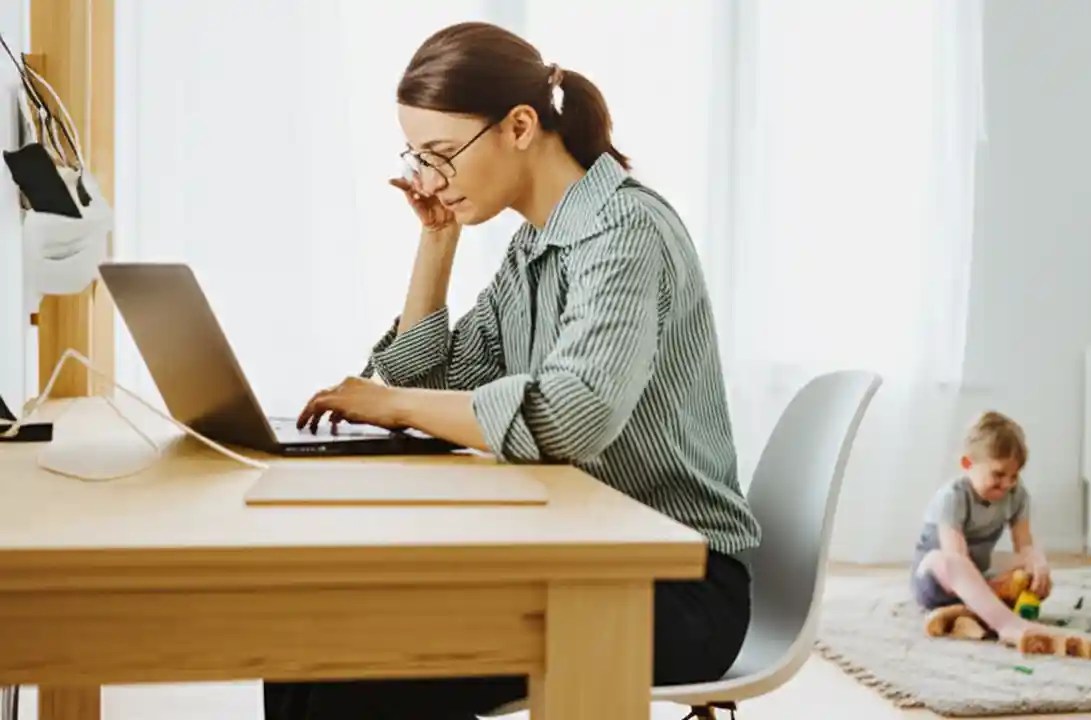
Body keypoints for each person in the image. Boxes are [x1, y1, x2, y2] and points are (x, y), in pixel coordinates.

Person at [274, 21, 762, 720]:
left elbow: (569, 416)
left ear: (521, 126)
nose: (428, 176)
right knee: (310, 635)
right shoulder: (534, 246)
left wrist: (393, 406)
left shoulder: (625, 233)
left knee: (362, 668)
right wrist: (436, 240)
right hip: (576, 556)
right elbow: (443, 385)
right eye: (418, 156)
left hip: (673, 583)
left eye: (442, 154)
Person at [910, 411, 1087, 654]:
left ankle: (972, 613)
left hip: (977, 579)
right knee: (951, 561)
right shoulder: (952, 497)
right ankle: (1006, 624)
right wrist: (989, 585)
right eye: (998, 474)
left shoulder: (1016, 495)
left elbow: (1024, 544)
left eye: (1014, 476)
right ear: (967, 464)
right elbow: (956, 558)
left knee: (1027, 568)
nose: (1007, 484)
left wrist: (1037, 565)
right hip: (937, 582)